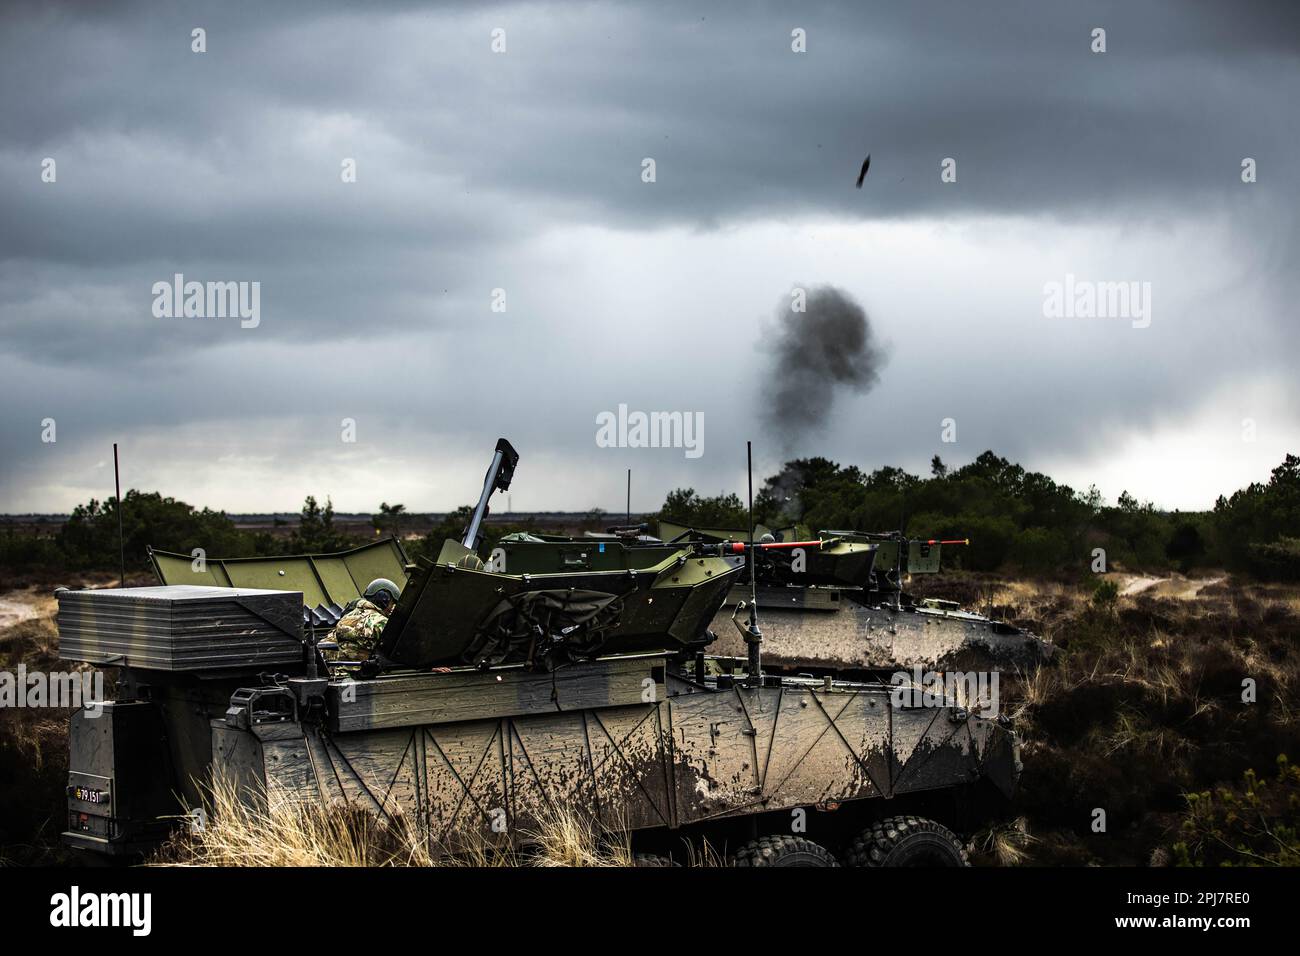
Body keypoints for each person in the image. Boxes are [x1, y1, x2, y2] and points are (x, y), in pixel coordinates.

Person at [333, 578, 400, 660]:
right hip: (363, 671)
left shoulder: (347, 617)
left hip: (341, 670)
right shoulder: (379, 621)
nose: (392, 608)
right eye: (392, 603)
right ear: (384, 600)